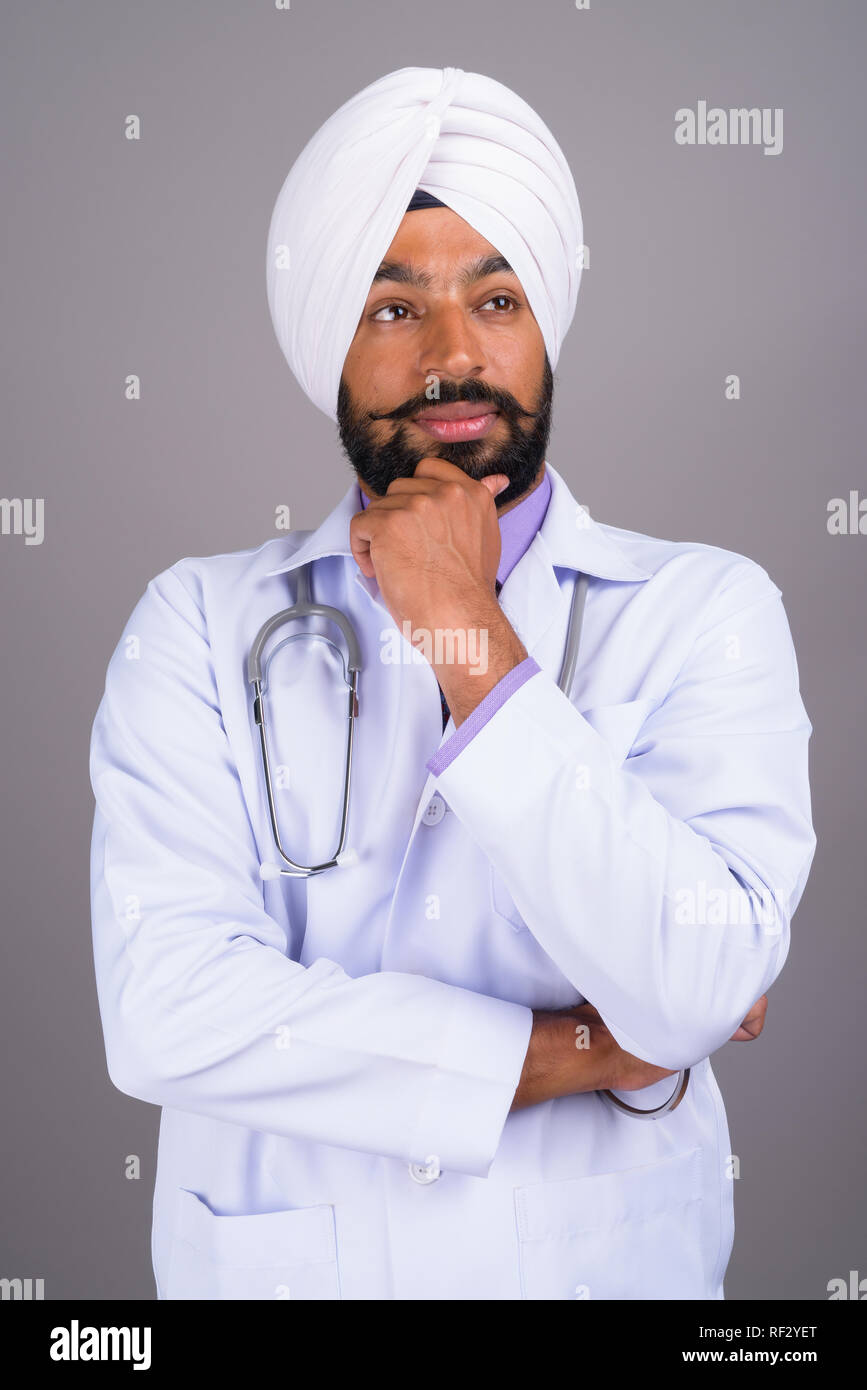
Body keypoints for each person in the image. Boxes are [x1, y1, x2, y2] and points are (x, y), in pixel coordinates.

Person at [89, 66, 816, 1301]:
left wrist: (468, 638)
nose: (453, 357)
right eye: (390, 308)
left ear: (545, 329)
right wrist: (583, 1048)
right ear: (330, 341)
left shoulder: (707, 611)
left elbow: (697, 982)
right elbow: (167, 1011)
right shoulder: (195, 625)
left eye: (497, 297)